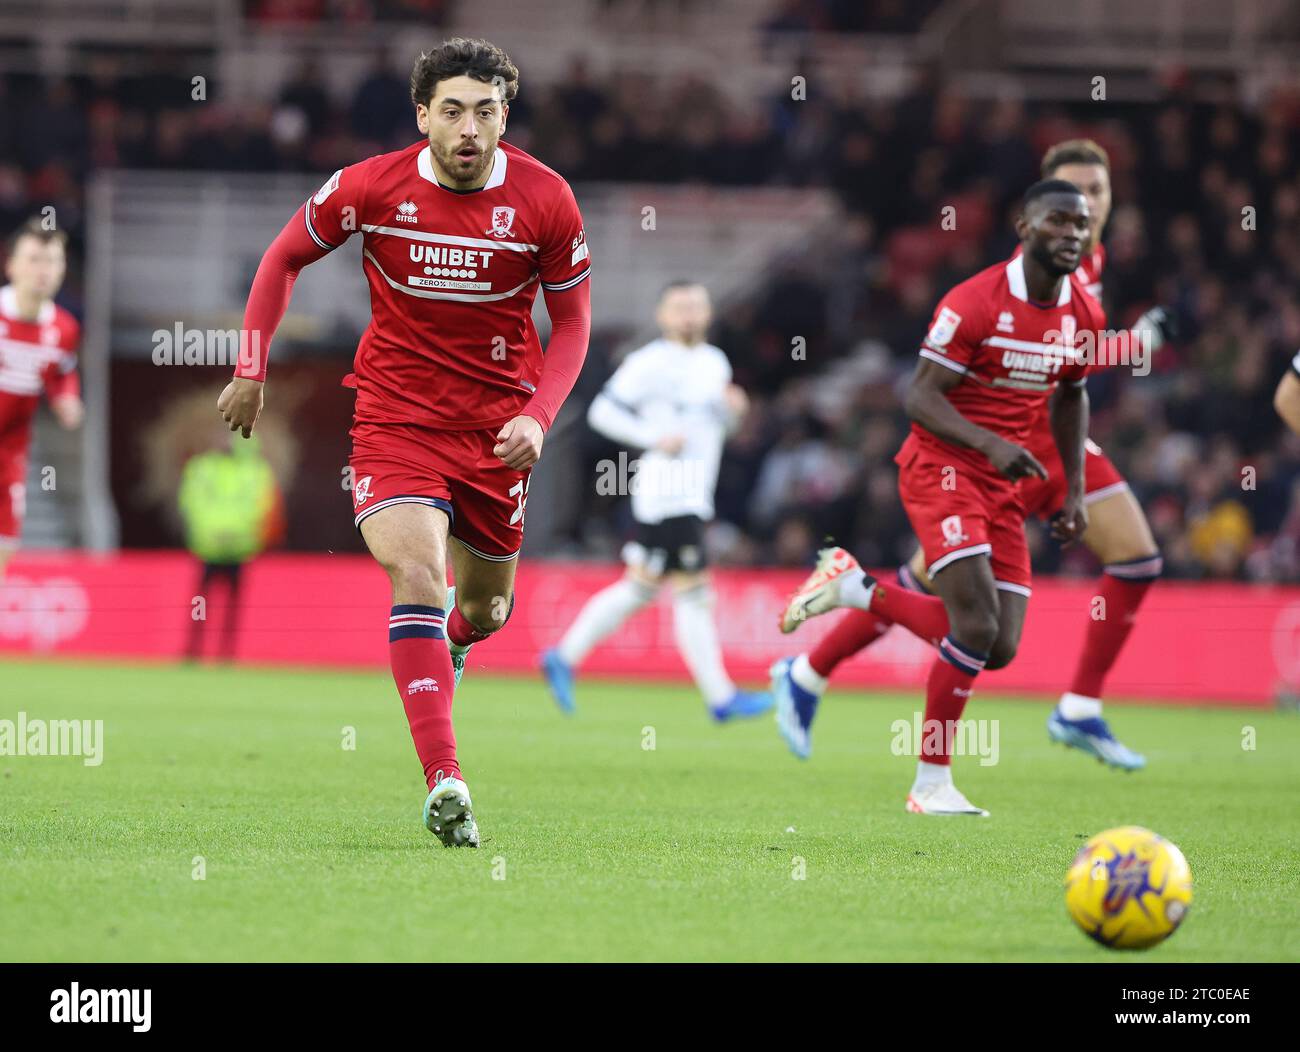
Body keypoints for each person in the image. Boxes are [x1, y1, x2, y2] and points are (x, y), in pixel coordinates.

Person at [217, 38, 592, 847]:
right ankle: (444, 778)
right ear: (422, 114)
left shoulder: (547, 200)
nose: (468, 128)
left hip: (499, 432)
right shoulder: (369, 186)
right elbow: (282, 258)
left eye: (485, 112)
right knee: (418, 573)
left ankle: (456, 643)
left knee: (488, 609)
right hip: (395, 419)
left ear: (504, 117)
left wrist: (538, 415)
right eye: (452, 110)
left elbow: (573, 325)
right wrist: (252, 367)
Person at [774, 140, 1176, 771]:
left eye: (1098, 193)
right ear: (1038, 210)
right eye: (1075, 196)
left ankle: (1077, 706)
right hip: (987, 450)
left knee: (1135, 559)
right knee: (950, 603)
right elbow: (1031, 350)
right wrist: (1137, 343)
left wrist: (1128, 346)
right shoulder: (1029, 272)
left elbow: (1071, 363)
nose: (1088, 207)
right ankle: (819, 670)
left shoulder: (1087, 270)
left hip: (1051, 447)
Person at [540, 281, 773, 721]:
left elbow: (713, 430)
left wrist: (735, 412)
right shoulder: (647, 363)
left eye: (695, 307)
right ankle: (720, 698)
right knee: (694, 593)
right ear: (663, 316)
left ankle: (563, 656)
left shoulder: (714, 362)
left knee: (639, 588)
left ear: (707, 314)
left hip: (693, 491)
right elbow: (601, 412)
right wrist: (652, 438)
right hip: (668, 492)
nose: (688, 315)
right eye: (679, 307)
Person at [0, 217, 83, 576]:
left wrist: (67, 398)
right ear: (11, 265)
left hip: (11, 452)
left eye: (52, 260)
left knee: (6, 545)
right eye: (34, 259)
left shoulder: (64, 329)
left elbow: (63, 371)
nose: (43, 270)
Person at [178, 431, 282, 661]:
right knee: (202, 603)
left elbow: (263, 506)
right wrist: (210, 531)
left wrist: (238, 532)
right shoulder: (202, 468)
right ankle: (194, 650)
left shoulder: (255, 470)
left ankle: (226, 652)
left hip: (238, 547)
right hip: (210, 546)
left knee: (231, 605)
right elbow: (190, 502)